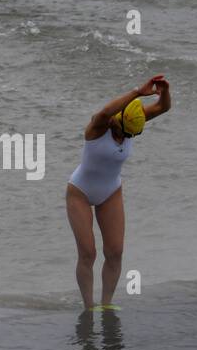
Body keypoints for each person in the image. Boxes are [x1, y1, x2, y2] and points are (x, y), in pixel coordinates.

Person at [65, 75, 171, 311]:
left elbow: (164, 107)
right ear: (119, 119)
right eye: (126, 132)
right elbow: (104, 111)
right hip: (80, 192)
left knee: (115, 252)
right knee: (88, 253)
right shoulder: (99, 126)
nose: (128, 138)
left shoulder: (134, 120)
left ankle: (106, 304)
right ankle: (88, 306)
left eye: (133, 135)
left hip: (111, 191)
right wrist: (138, 91)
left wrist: (164, 91)